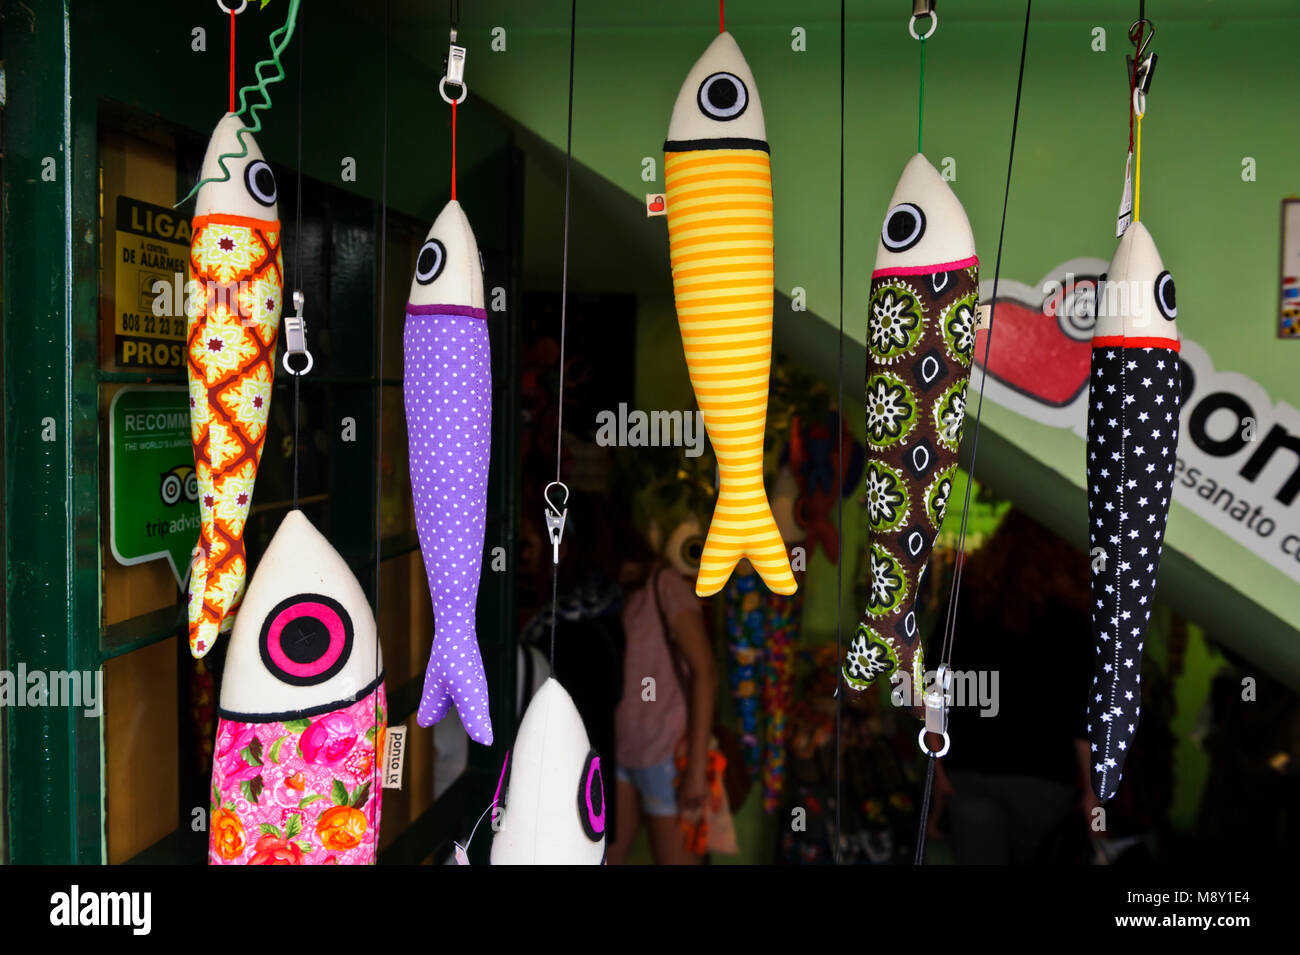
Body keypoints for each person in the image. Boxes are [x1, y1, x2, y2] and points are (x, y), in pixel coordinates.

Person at [930, 508, 1095, 865]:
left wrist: (938, 769)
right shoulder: (1072, 611)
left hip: (967, 765)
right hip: (1042, 775)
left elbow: (933, 684)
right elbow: (1079, 709)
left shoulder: (968, 593)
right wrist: (1093, 793)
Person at [607, 546, 717, 865]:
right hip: (620, 752)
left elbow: (705, 671)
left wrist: (696, 771)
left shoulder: (664, 584)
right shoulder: (613, 593)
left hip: (666, 755)